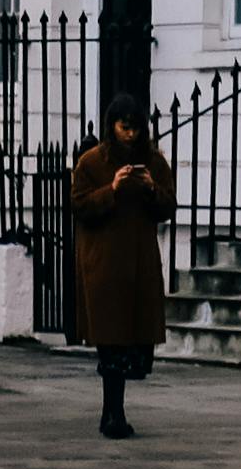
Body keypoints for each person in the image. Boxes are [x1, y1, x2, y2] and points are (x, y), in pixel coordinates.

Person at [68, 105, 174, 439]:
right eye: (123, 127)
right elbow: (79, 206)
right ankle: (113, 414)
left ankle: (113, 413)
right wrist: (111, 189)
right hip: (104, 263)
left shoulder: (155, 163)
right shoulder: (91, 162)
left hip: (139, 263)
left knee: (132, 346)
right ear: (111, 126)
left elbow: (167, 208)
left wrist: (150, 188)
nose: (130, 134)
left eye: (135, 128)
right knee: (110, 342)